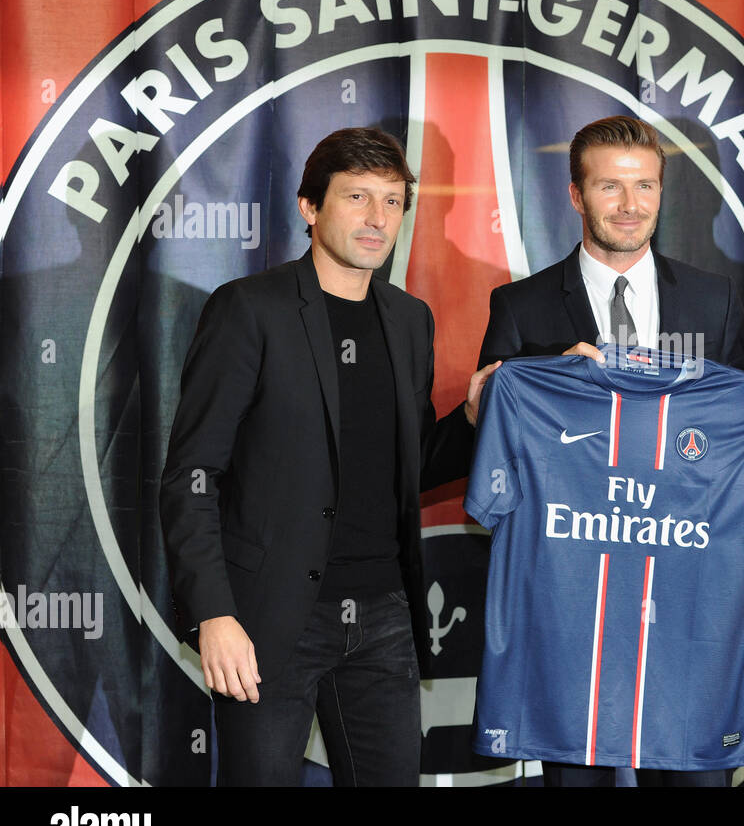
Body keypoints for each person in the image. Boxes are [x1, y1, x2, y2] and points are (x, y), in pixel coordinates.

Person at [160, 127, 497, 786]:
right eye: (357, 198)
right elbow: (191, 477)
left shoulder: (409, 321)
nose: (377, 219)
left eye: (393, 202)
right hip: (266, 619)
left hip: (384, 619)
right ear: (310, 208)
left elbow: (408, 468)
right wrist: (215, 614)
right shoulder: (248, 310)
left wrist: (471, 420)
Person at [477, 115, 744, 786]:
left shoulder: (716, 301)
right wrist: (501, 398)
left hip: (685, 602)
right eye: (610, 186)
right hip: (572, 610)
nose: (630, 204)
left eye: (645, 185)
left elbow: (739, 439)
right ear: (574, 195)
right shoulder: (521, 308)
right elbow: (493, 453)